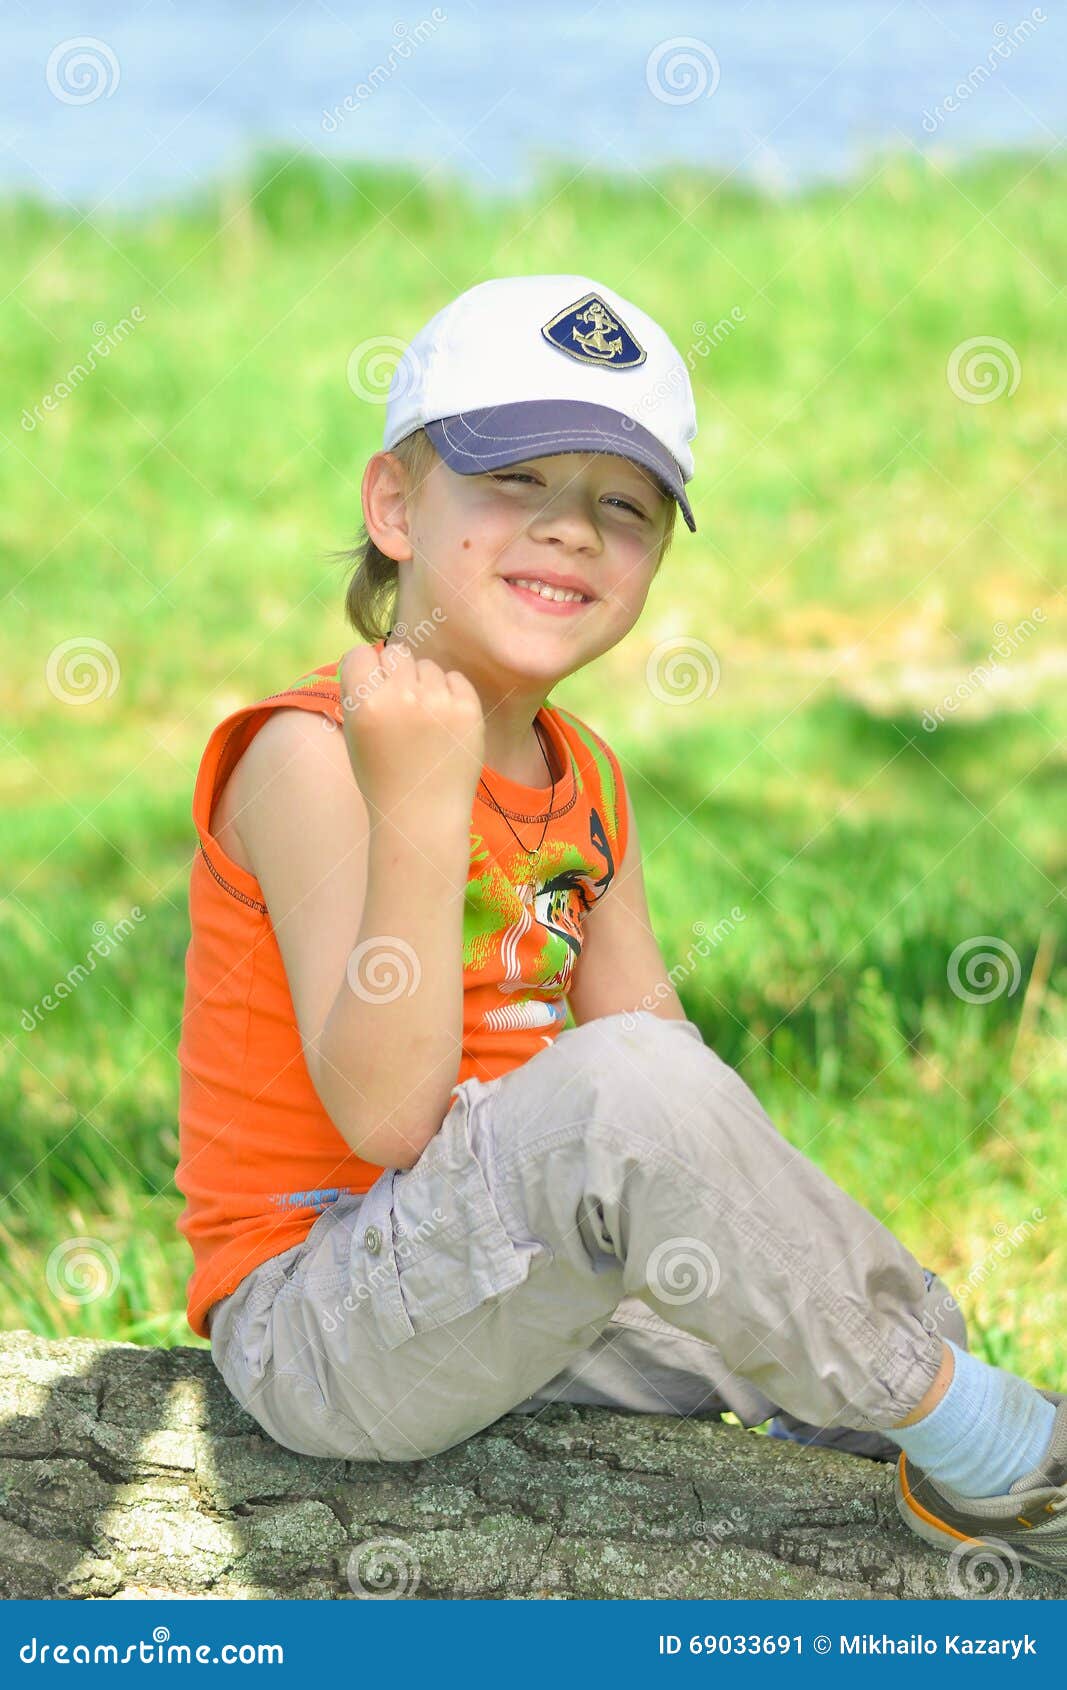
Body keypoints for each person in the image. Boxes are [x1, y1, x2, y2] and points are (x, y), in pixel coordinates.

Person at [175, 274, 1064, 1578]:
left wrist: (758, 1250)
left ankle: (959, 1453)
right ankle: (1000, 1443)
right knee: (639, 1102)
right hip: (325, 1314)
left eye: (625, 507)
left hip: (519, 1280)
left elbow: (675, 1085)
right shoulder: (311, 758)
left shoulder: (583, 772)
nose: (572, 531)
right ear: (395, 506)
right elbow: (390, 1122)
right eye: (515, 480)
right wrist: (420, 807)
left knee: (831, 1317)